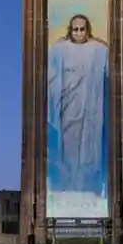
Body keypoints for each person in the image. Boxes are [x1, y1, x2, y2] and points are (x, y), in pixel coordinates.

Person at [47, 14, 108, 198]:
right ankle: (66, 184)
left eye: (82, 29)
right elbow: (51, 75)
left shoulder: (98, 50)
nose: (79, 33)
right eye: (75, 29)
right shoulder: (59, 49)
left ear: (87, 29)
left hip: (90, 108)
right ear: (70, 30)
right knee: (68, 145)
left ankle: (87, 186)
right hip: (68, 107)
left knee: (89, 146)